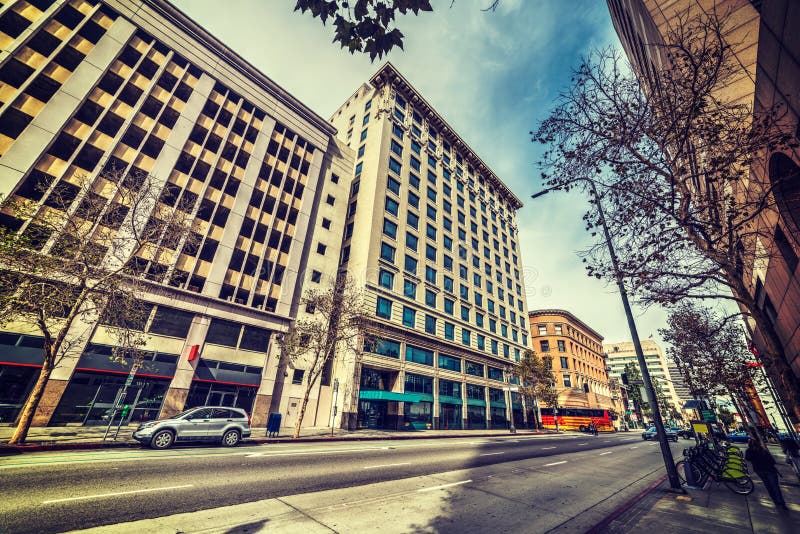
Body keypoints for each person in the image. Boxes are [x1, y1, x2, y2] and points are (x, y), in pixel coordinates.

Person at [745, 438, 787, 509]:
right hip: (769, 470)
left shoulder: (750, 451)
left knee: (768, 486)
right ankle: (780, 500)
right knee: (774, 486)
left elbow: (748, 458)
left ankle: (776, 500)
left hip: (760, 470)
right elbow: (772, 461)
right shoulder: (762, 450)